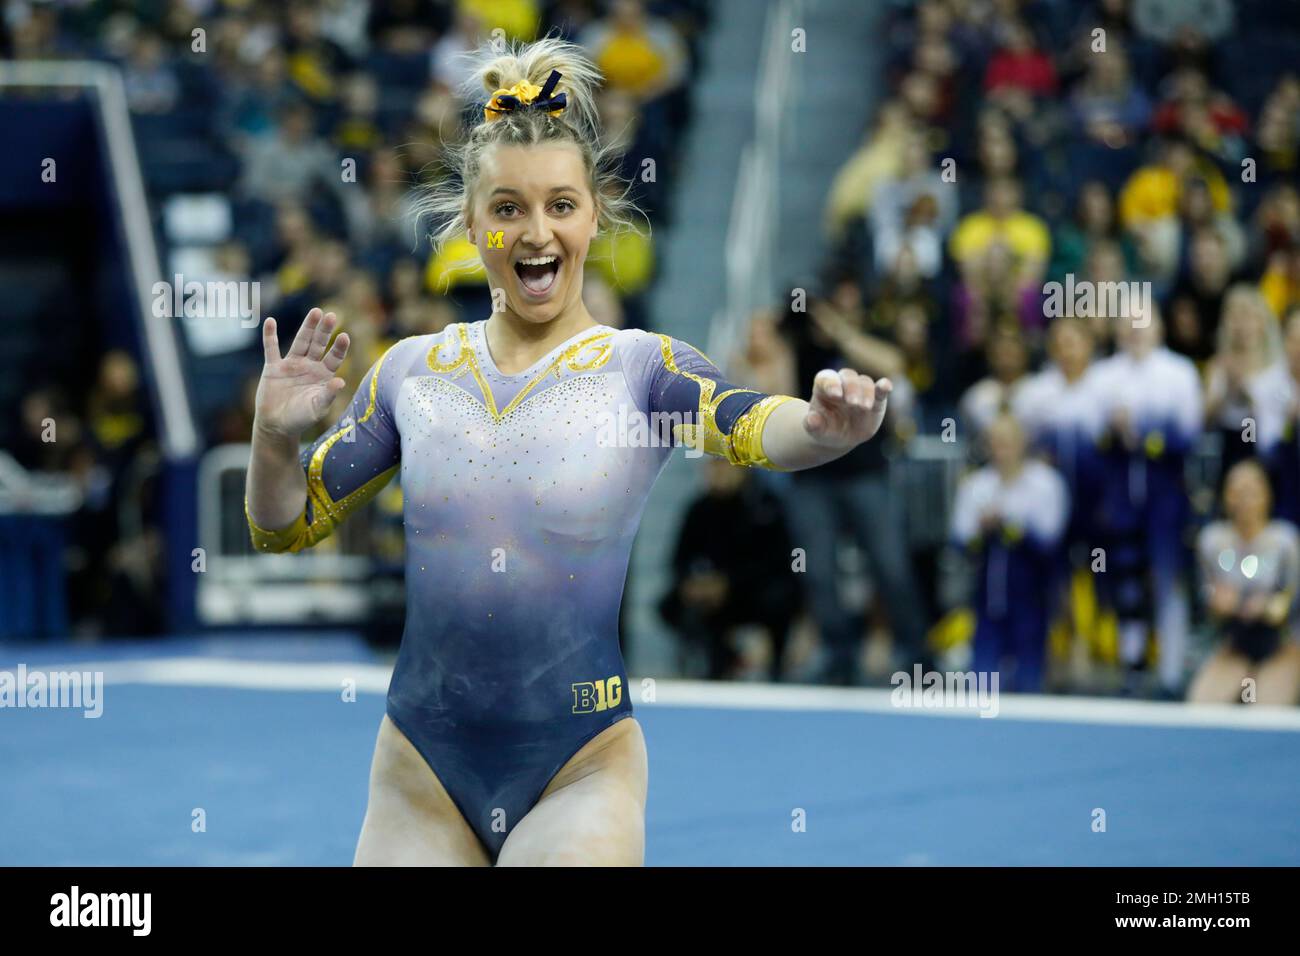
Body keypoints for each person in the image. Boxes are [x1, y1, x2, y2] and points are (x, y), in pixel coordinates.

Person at [244, 39, 895, 867]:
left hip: (579, 768)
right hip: (420, 770)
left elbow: (751, 423)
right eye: (507, 208)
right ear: (472, 224)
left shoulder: (643, 370)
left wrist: (824, 428)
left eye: (560, 204)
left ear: (595, 215)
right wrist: (273, 437)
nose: (536, 231)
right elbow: (284, 526)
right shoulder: (411, 372)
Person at [951, 414, 1070, 692]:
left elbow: (1050, 541)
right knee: (981, 688)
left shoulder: (1046, 484)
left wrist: (1009, 526)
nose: (1000, 450)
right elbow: (960, 540)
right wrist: (984, 532)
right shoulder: (975, 485)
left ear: (1022, 443)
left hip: (1032, 599)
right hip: (987, 600)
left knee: (1028, 684)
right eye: (994, 443)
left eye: (1006, 442)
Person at [1187, 460, 1300, 706]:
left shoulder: (1285, 541)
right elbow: (1205, 598)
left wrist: (1270, 606)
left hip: (1282, 647)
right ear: (1225, 496)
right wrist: (1216, 602)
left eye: (1251, 492)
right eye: (1236, 492)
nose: (1244, 501)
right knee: (1202, 706)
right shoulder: (1212, 540)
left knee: (1267, 711)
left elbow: (1291, 598)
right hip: (1232, 645)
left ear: (1267, 495)